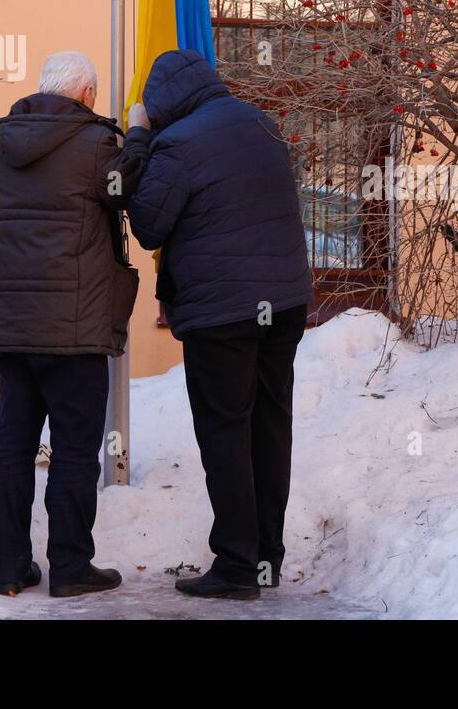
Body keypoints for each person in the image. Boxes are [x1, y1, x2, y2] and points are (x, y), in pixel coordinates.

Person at [127, 48, 313, 600]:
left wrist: (138, 139)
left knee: (226, 431)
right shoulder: (263, 122)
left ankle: (235, 565)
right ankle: (265, 559)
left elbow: (148, 225)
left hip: (223, 314)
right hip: (285, 304)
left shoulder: (177, 145)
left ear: (162, 103)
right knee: (270, 426)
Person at [0, 50, 152, 598]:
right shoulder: (95, 143)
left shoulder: (4, 145)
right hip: (73, 330)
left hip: (13, 324)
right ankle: (71, 568)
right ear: (85, 96)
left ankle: (8, 568)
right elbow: (120, 190)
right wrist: (141, 138)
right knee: (76, 451)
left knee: (10, 446)